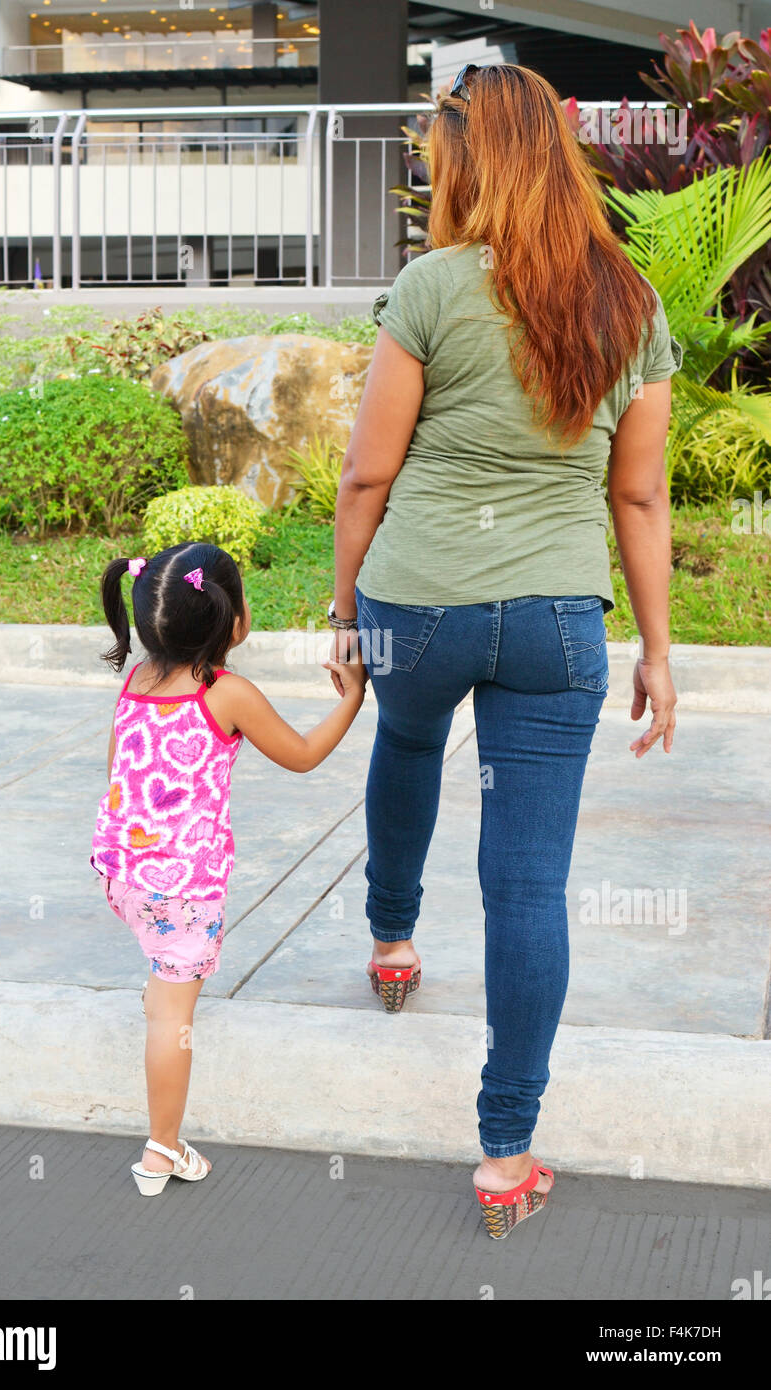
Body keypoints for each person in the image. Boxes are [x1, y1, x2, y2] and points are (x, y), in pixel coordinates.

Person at [329, 63, 680, 1239]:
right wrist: (657, 650)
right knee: (526, 884)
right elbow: (637, 501)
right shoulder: (626, 301)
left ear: (473, 161)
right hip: (555, 624)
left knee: (408, 742)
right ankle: (504, 1151)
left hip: (417, 602)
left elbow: (366, 471)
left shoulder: (429, 286)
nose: (430, 167)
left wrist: (344, 616)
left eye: (439, 150)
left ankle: (389, 938)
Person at [92, 541, 365, 1196]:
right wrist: (352, 699)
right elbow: (300, 756)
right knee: (172, 1019)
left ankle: (162, 979)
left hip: (119, 865)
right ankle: (162, 1149)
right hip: (180, 889)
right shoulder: (227, 694)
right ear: (233, 618)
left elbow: (114, 774)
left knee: (165, 975)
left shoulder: (137, 681)